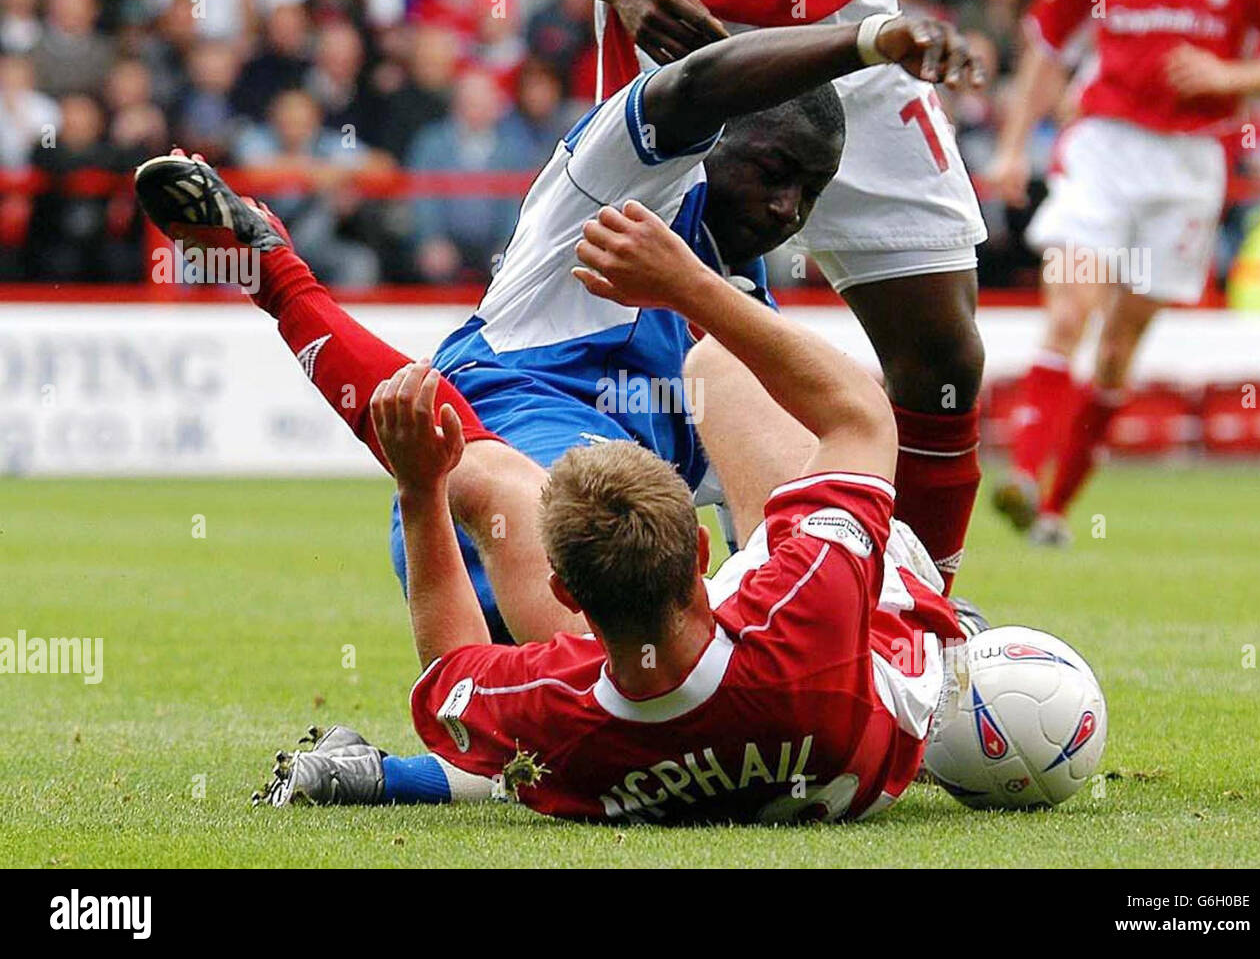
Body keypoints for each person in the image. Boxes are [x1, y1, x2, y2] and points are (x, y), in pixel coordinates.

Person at [256, 199, 968, 823]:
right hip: (869, 655)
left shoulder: (553, 704)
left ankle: (283, 286)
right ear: (700, 550)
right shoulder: (809, 602)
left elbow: (454, 668)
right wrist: (690, 286)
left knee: (486, 480)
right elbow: (862, 419)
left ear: (564, 590)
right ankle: (956, 625)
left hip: (642, 715)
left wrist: (418, 488)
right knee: (720, 367)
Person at [502, 0, 990, 591]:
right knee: (696, 347)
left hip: (848, 15)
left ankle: (918, 624)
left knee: (946, 354)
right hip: (680, 24)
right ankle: (699, 618)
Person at [985, 0, 1260, 545]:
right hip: (1103, 147)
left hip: (1191, 164)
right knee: (1070, 312)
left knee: (1117, 351)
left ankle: (1054, 509)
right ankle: (1021, 474)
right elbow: (1049, 48)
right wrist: (1014, 146)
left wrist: (1228, 76)